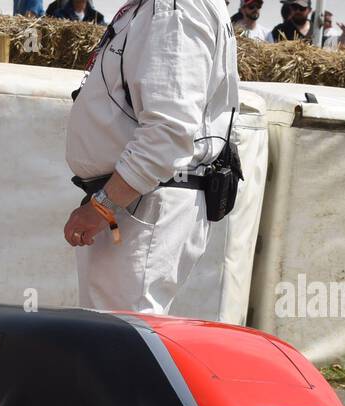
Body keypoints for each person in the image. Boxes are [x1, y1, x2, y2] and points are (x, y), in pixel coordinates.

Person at [63, 0, 240, 314]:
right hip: (138, 199)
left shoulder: (175, 9)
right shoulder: (165, 8)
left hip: (143, 201)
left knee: (121, 341)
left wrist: (103, 206)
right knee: (113, 337)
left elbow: (168, 131)